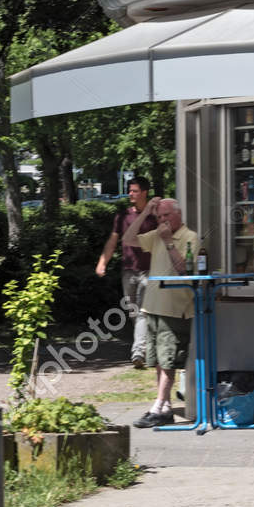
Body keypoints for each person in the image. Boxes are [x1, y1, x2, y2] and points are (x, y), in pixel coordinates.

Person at [129, 197, 199, 428]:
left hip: (175, 308)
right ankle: (165, 406)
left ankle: (158, 405)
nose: (162, 221)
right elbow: (128, 239)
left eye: (166, 216)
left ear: (178, 215)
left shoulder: (190, 237)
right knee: (158, 361)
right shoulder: (157, 236)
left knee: (168, 360)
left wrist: (169, 242)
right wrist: (145, 212)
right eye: (159, 217)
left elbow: (184, 270)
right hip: (153, 305)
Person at [96, 177, 156, 367]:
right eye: (130, 190)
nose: (130, 194)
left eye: (135, 191)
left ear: (144, 193)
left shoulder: (154, 216)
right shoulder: (122, 216)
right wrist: (102, 262)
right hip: (128, 271)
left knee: (142, 313)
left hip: (149, 271)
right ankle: (146, 347)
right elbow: (113, 241)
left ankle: (138, 353)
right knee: (134, 313)